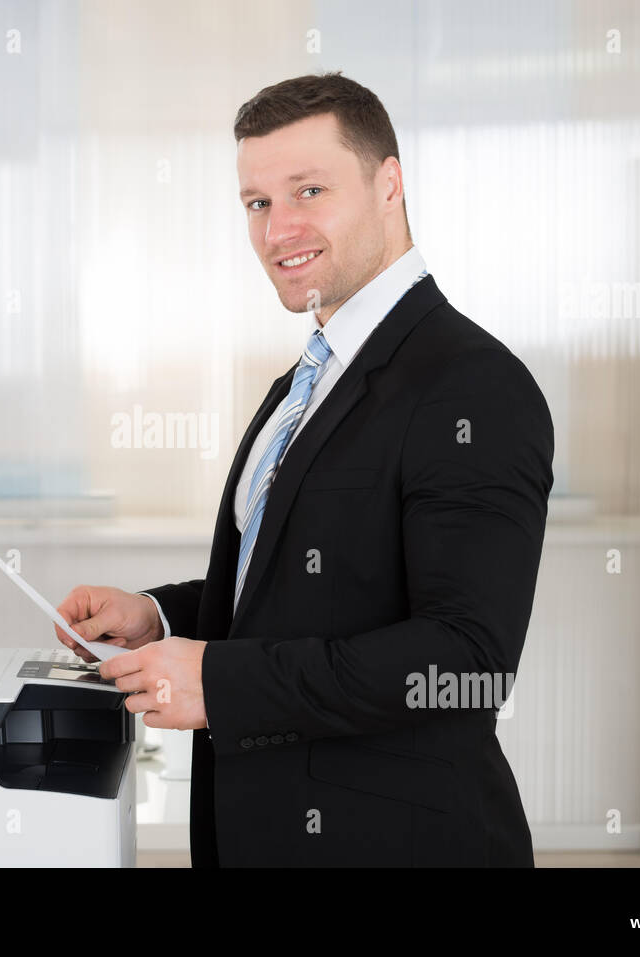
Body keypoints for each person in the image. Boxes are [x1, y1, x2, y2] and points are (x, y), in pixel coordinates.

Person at [54, 72, 554, 867]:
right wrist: (159, 616)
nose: (278, 228)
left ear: (390, 184)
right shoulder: (310, 377)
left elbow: (466, 660)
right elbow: (308, 592)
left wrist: (220, 681)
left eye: (310, 190)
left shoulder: (471, 383)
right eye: (257, 203)